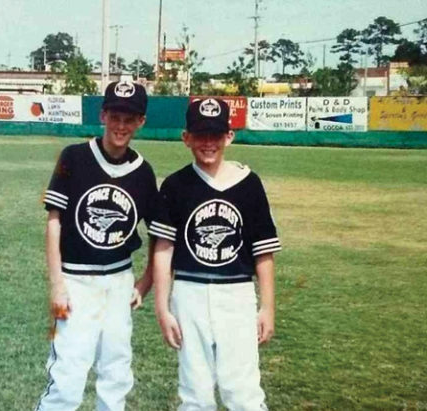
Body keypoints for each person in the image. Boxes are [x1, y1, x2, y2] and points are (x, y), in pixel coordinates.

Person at [149, 98, 282, 411]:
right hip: (189, 292)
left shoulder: (248, 184)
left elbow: (263, 252)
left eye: (215, 135)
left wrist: (267, 307)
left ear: (229, 136)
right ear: (186, 138)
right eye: (200, 135)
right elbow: (163, 250)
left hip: (236, 293)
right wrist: (162, 307)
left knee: (242, 391)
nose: (208, 143)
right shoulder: (176, 185)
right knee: (195, 392)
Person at [35, 80, 158, 411]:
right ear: (103, 115)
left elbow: (160, 234)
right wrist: (57, 284)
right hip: (75, 280)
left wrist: (145, 283)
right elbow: (54, 221)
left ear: (141, 122)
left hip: (119, 281)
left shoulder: (143, 172)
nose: (121, 126)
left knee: (116, 374)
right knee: (67, 376)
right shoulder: (74, 157)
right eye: (115, 116)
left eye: (129, 119)